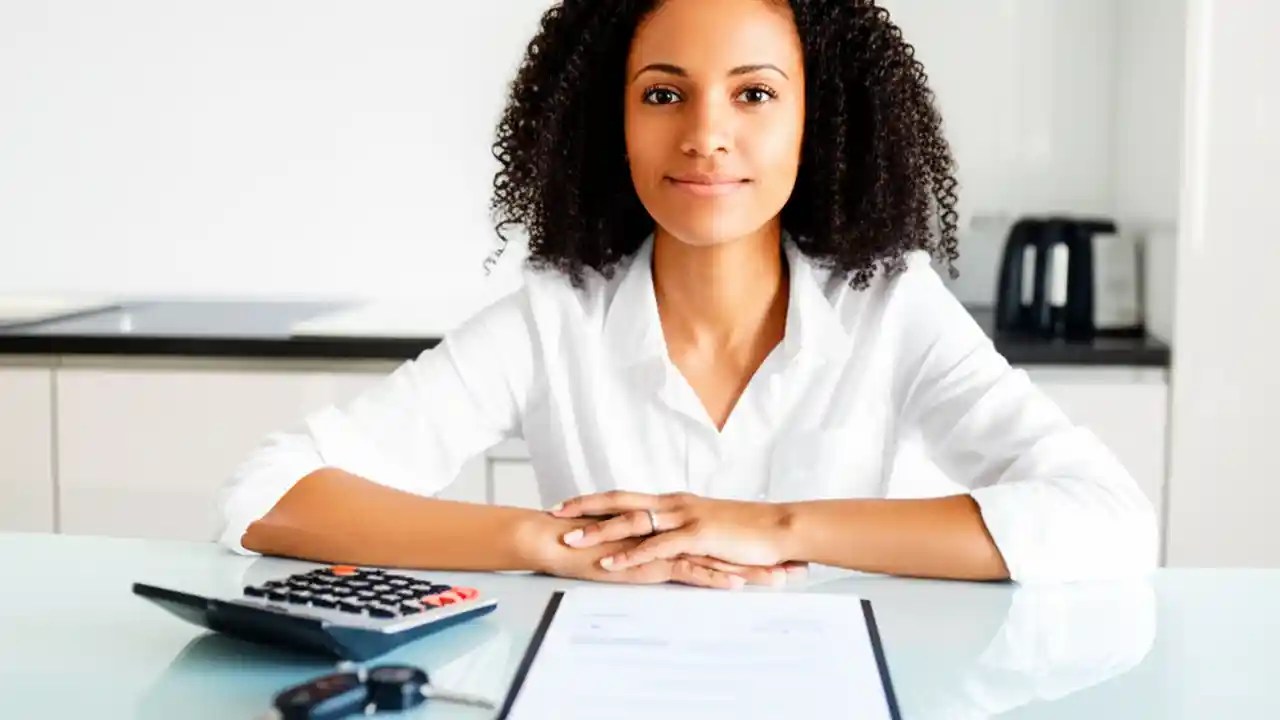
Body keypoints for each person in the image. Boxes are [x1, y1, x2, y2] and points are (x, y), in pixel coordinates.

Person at [220, 0, 1156, 588]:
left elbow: (1107, 519)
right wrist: (549, 542)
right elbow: (266, 495)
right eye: (664, 95)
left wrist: (772, 529)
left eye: (754, 95)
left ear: (815, 124)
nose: (706, 136)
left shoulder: (891, 306)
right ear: (611, 122)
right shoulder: (559, 317)